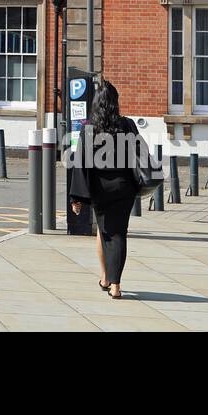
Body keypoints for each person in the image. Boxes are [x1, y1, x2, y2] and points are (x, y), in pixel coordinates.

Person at [68, 80, 143, 300]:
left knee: (105, 231)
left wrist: (77, 197)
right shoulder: (127, 125)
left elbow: (80, 163)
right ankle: (112, 282)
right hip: (123, 188)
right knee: (117, 233)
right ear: (115, 103)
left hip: (100, 189)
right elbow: (140, 155)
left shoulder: (89, 128)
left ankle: (109, 280)